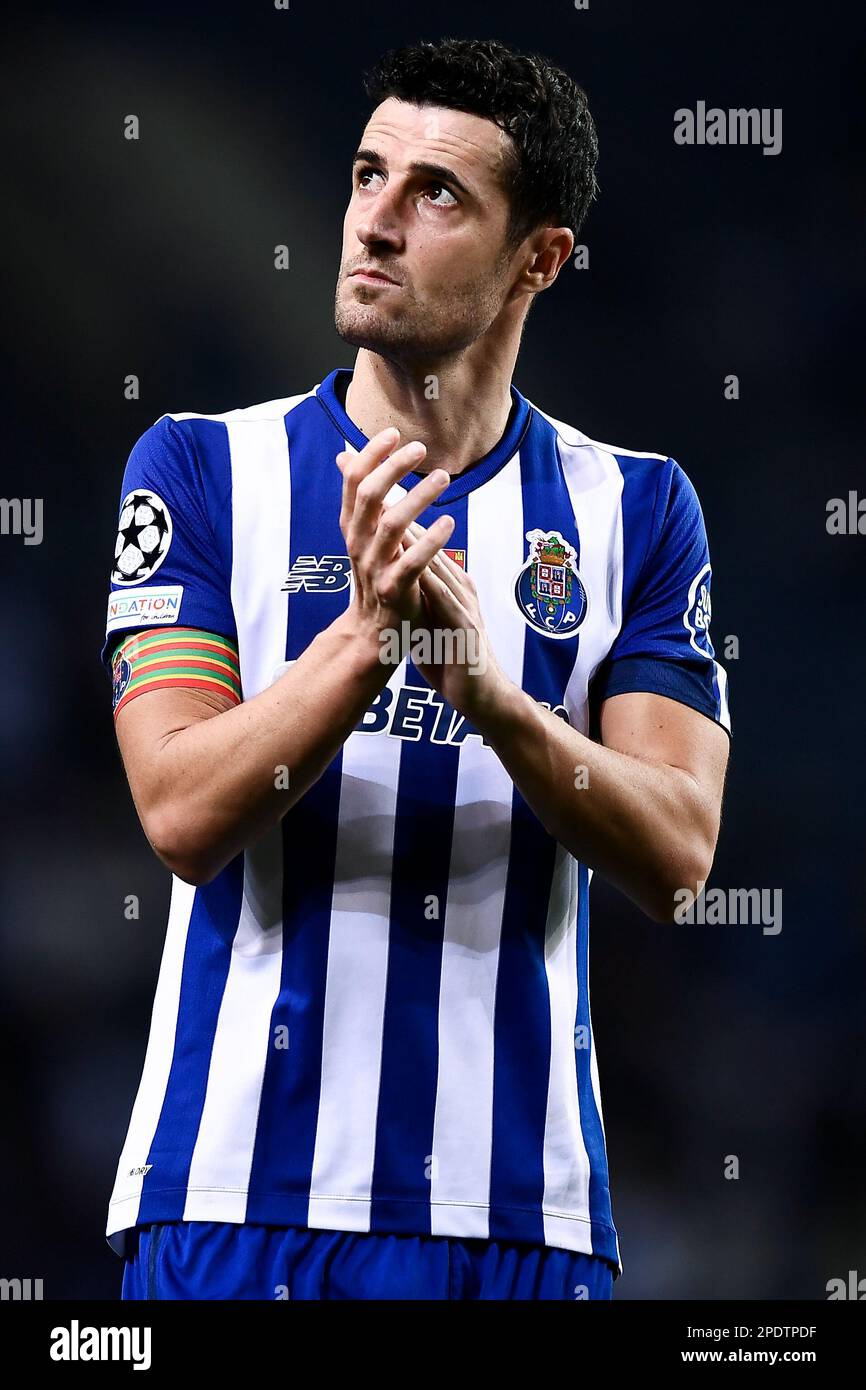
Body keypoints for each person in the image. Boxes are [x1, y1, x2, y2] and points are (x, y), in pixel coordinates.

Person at [102, 36, 730, 1301]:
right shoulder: (198, 470)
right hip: (233, 1204)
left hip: (519, 1219)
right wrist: (364, 637)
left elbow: (678, 852)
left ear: (537, 258)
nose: (374, 224)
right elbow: (177, 811)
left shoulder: (637, 509)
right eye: (364, 175)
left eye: (434, 193)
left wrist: (491, 697)